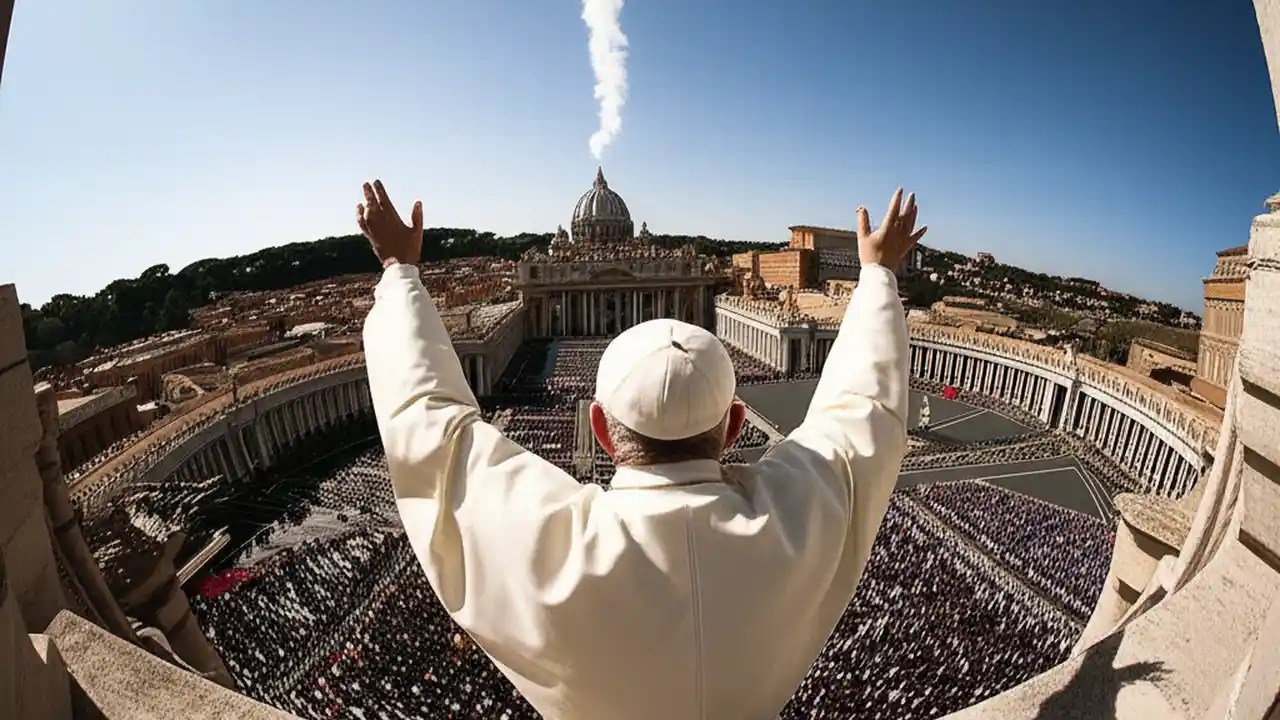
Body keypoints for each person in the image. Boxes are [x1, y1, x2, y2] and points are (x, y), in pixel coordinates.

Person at [359, 179, 925, 719]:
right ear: (733, 425)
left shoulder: (549, 546)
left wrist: (399, 272)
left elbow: (433, 430)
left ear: (600, 429)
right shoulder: (802, 518)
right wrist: (877, 276)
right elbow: (864, 412)